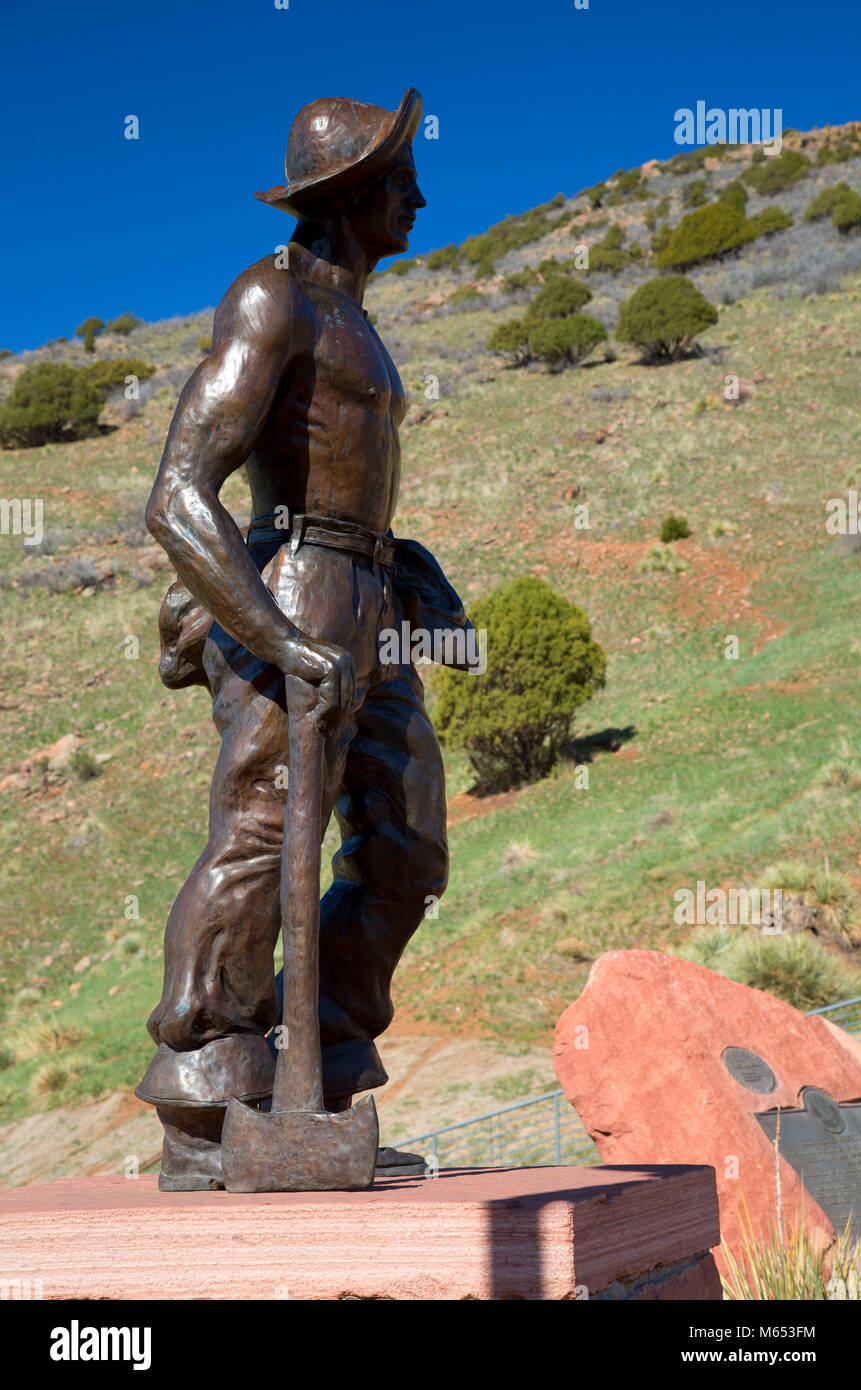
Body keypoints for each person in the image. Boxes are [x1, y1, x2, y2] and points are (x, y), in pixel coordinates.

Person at [134, 89, 474, 1189]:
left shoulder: (356, 318)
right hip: (297, 591)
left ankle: (314, 1071)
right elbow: (180, 494)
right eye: (399, 178)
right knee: (262, 836)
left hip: (365, 595)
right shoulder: (269, 303)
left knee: (406, 843)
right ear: (350, 196)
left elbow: (341, 477)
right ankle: (205, 1101)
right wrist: (275, 630)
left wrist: (402, 564)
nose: (417, 195)